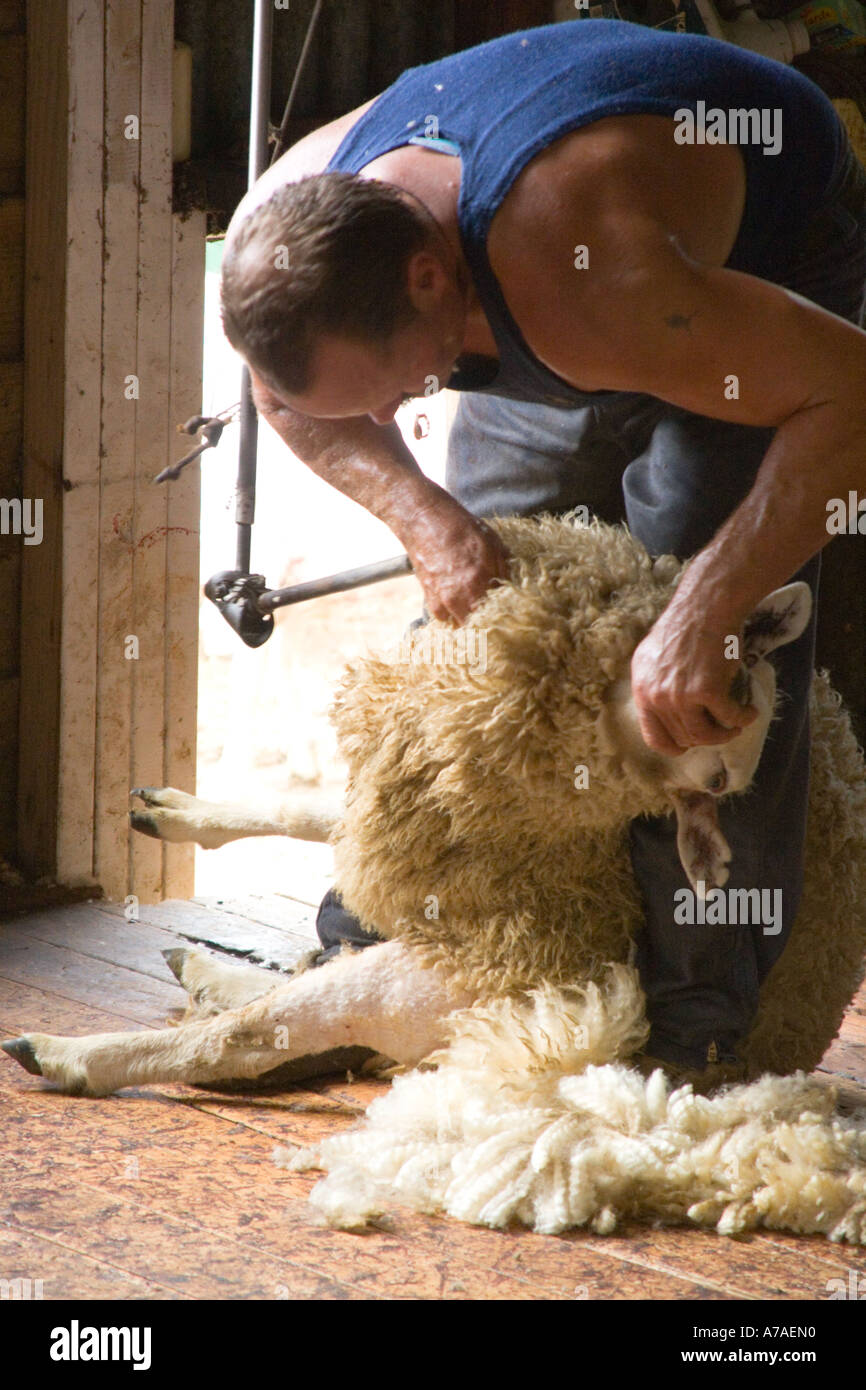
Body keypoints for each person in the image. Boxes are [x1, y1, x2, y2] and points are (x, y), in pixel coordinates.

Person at [219, 19, 866, 1081]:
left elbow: (848, 395)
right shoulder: (274, 237)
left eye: (392, 392)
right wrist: (423, 519)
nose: (391, 419)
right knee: (485, 628)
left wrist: (698, 613)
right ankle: (382, 954)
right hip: (566, 271)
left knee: (695, 687)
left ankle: (696, 1031)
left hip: (752, 259)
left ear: (431, 280)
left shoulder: (592, 279)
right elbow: (288, 402)